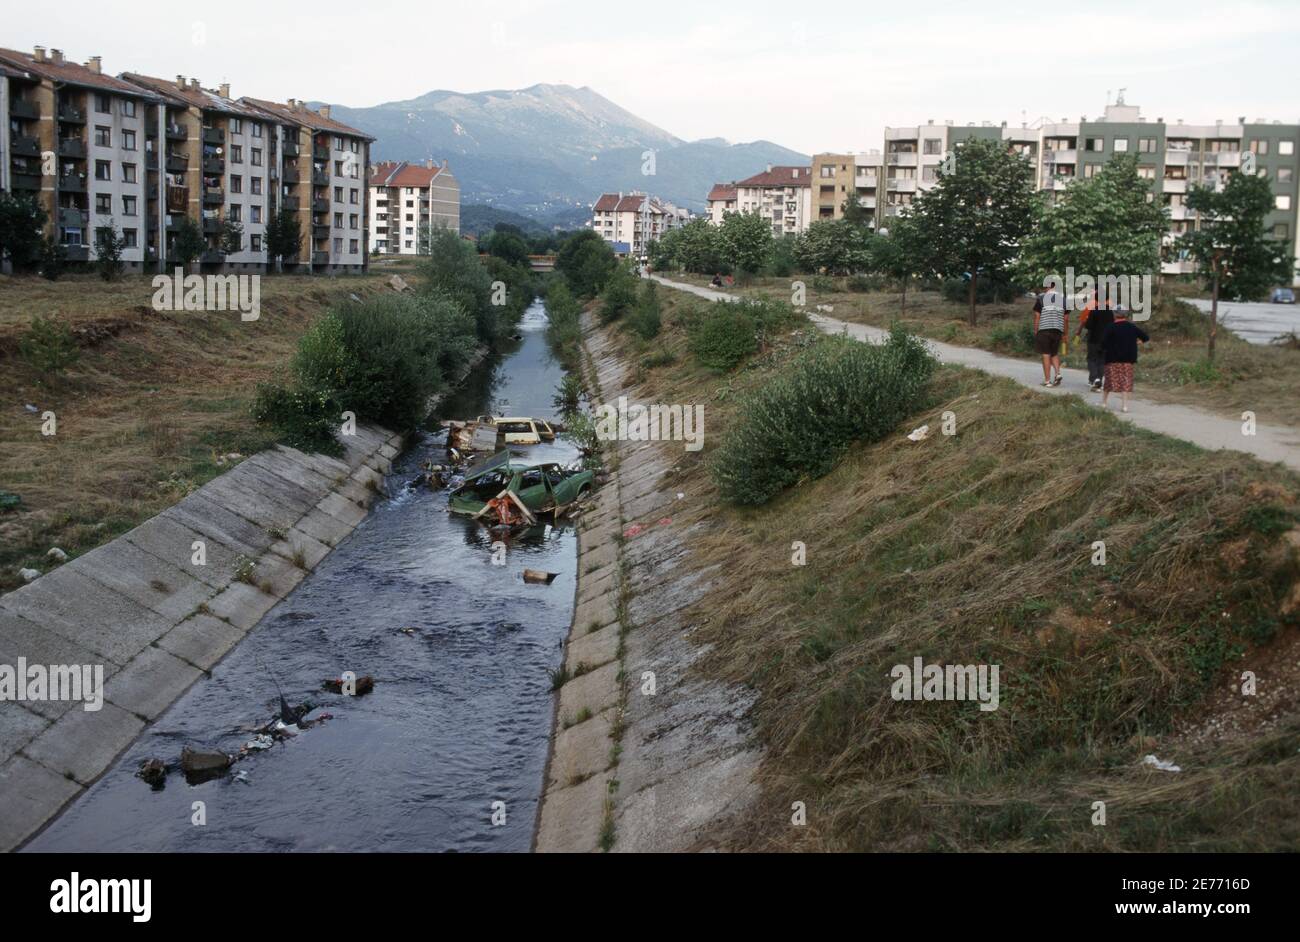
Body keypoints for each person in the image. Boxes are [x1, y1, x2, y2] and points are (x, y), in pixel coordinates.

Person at [1099, 307, 1149, 413]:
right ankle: (1124, 406)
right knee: (1125, 382)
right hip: (1128, 359)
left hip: (1112, 359)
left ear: (1115, 314)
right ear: (1125, 315)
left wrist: (1105, 348)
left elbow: (1103, 343)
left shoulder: (1110, 327)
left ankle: (1104, 403)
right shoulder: (1132, 327)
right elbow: (1145, 337)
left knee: (1109, 381)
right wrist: (1135, 343)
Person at [1073, 289, 1114, 392]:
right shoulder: (1110, 311)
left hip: (1094, 339)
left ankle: (1094, 379)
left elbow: (1088, 325)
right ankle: (1099, 380)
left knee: (1091, 359)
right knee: (1102, 360)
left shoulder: (1094, 310)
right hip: (1106, 340)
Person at [1033, 283, 1069, 386]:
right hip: (1058, 330)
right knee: (1054, 353)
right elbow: (1066, 318)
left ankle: (1047, 381)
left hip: (1044, 329)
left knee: (1046, 354)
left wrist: (1036, 329)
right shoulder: (1064, 300)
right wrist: (1065, 334)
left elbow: (1037, 315)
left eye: (1045, 287)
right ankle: (1057, 374)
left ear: (1048, 287)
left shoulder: (1042, 298)